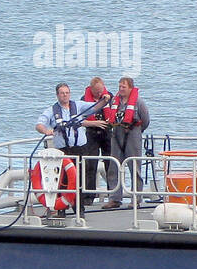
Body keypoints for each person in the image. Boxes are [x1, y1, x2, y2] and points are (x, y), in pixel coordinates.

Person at [36, 83, 104, 208]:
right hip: (63, 150)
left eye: (67, 93)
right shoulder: (51, 111)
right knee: (63, 179)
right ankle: (62, 208)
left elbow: (96, 107)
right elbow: (39, 124)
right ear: (57, 95)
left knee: (80, 178)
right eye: (62, 93)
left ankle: (79, 208)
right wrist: (46, 131)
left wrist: (105, 99)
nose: (65, 95)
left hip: (80, 148)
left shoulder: (78, 106)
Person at [102, 76, 151, 209]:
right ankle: (115, 198)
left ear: (130, 88)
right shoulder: (114, 101)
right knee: (113, 166)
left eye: (124, 87)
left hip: (132, 135)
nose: (121, 89)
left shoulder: (139, 102)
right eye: (119, 87)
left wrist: (136, 132)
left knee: (134, 167)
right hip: (116, 135)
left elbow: (145, 120)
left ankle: (136, 198)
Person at [81, 76, 113, 202]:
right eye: (96, 92)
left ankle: (113, 194)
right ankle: (89, 196)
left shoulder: (109, 97)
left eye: (101, 91)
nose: (99, 94)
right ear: (91, 89)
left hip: (107, 133)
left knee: (110, 163)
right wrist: (95, 123)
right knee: (90, 164)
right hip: (92, 133)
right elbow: (80, 120)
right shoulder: (84, 100)